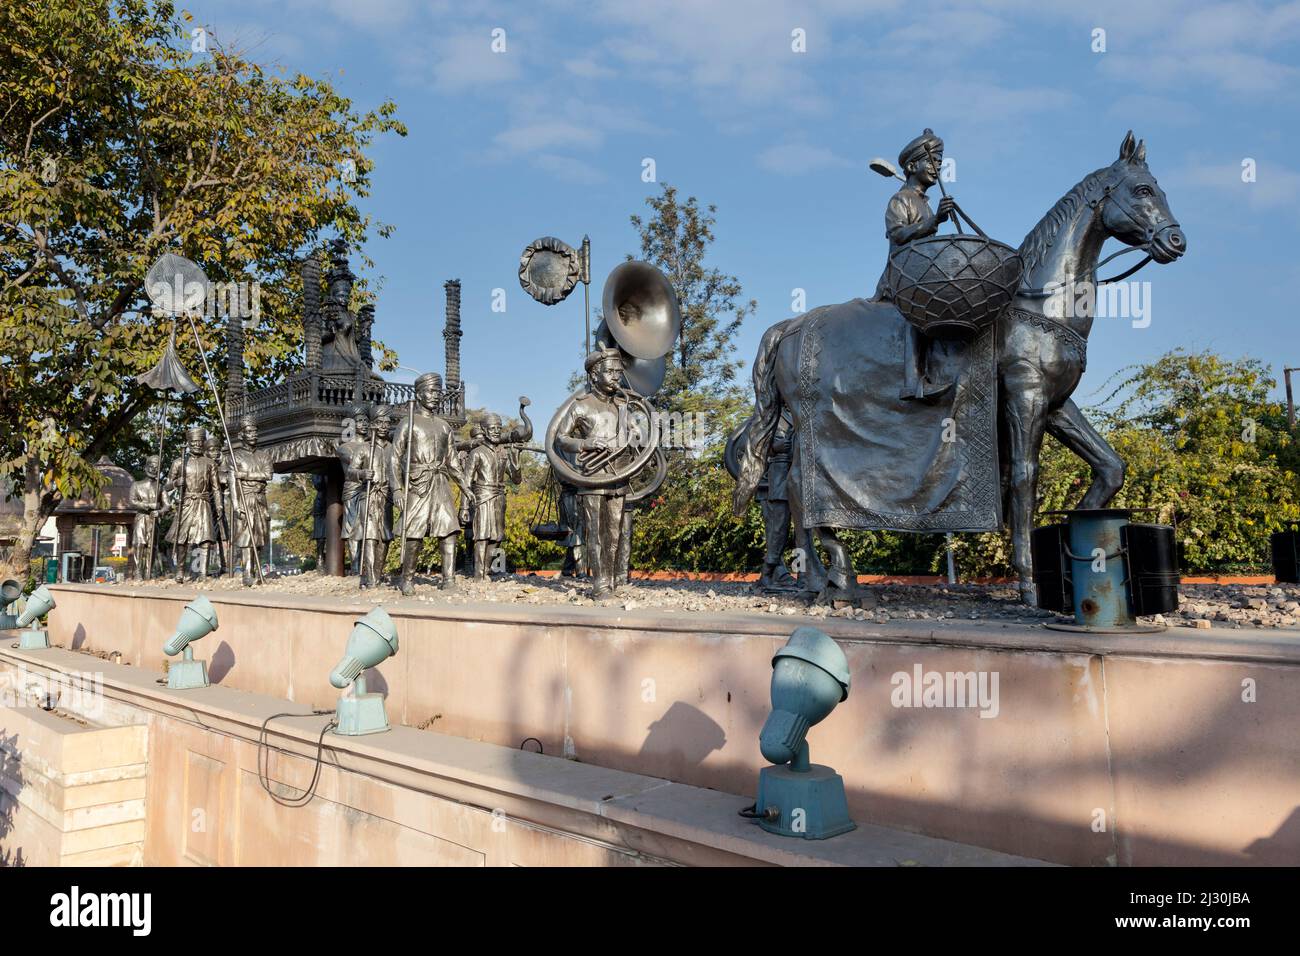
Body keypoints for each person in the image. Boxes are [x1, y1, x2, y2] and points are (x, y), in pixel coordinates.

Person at [873, 128, 956, 400]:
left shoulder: (926, 204)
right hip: (902, 277)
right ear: (911, 166)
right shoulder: (900, 200)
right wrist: (933, 223)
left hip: (921, 275)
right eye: (931, 162)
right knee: (917, 314)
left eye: (940, 164)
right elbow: (898, 234)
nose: (937, 168)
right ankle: (913, 382)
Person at [552, 348, 636, 600]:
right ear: (593, 375)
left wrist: (637, 434)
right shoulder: (580, 407)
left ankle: (610, 580)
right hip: (592, 477)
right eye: (609, 372)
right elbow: (561, 438)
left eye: (618, 372)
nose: (615, 377)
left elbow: (634, 432)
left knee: (614, 533)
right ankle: (599, 583)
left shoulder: (623, 406)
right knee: (596, 533)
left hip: (618, 475)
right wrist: (586, 444)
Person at [392, 373, 467, 594]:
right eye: (431, 391)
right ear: (419, 393)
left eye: (438, 391)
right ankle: (407, 579)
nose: (435, 396)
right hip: (417, 484)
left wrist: (465, 486)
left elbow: (452, 461)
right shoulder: (408, 423)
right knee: (414, 534)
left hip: (440, 483)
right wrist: (397, 488)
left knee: (449, 531)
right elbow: (395, 457)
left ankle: (449, 580)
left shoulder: (444, 427)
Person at [465, 413, 522, 580]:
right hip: (482, 496)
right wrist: (463, 507)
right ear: (484, 430)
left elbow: (517, 480)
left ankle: (486, 570)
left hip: (499, 497)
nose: (496, 431)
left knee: (497, 536)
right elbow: (466, 481)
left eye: (499, 428)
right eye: (492, 428)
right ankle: (478, 574)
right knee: (482, 535)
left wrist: (516, 459)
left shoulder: (503, 452)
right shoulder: (476, 452)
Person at [165, 427, 221, 583]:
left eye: (200, 441)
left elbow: (216, 488)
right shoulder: (179, 462)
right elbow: (166, 486)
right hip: (187, 503)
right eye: (194, 442)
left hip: (204, 503)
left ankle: (203, 573)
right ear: (188, 443)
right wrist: (176, 482)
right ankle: (180, 571)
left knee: (206, 539)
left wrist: (220, 505)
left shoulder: (210, 463)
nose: (197, 444)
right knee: (182, 539)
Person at [352, 405, 398, 588]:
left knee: (385, 538)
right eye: (380, 422)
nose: (384, 426)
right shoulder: (363, 448)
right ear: (373, 424)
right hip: (369, 495)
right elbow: (351, 471)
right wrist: (362, 474)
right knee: (370, 536)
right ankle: (371, 579)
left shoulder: (393, 449)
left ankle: (378, 574)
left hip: (386, 497)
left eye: (387, 423)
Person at [756, 410, 798, 591]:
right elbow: (754, 444)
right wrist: (775, 446)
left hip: (799, 474)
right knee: (778, 528)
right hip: (778, 476)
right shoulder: (769, 414)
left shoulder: (799, 410)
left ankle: (803, 573)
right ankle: (768, 571)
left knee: (804, 532)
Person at [230, 417, 273, 586]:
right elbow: (233, 482)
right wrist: (235, 505)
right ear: (242, 435)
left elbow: (268, 475)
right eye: (249, 431)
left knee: (259, 538)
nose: (253, 434)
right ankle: (247, 572)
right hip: (245, 499)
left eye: (255, 431)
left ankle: (255, 569)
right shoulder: (236, 457)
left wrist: (246, 476)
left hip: (260, 499)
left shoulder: (264, 456)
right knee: (246, 539)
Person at [337, 404, 370, 574]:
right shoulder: (345, 448)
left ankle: (368, 566)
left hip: (370, 489)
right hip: (354, 489)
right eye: (360, 421)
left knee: (369, 526)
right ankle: (356, 566)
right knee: (352, 528)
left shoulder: (372, 446)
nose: (364, 424)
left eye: (366, 421)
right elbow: (361, 462)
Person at [127, 455, 164, 581]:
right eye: (151, 466)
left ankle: (149, 570)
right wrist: (149, 505)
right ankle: (138, 572)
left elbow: (168, 505)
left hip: (153, 520)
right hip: (141, 518)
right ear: (145, 467)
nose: (154, 469)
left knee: (152, 546)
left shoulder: (160, 486)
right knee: (139, 544)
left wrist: (160, 511)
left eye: (157, 467)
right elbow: (132, 501)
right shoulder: (136, 485)